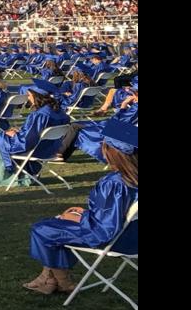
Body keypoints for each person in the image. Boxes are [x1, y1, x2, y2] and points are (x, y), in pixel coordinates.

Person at [24, 122, 138, 295]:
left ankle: (62, 281)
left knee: (43, 229)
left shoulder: (115, 183)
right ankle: (48, 278)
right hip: (133, 236)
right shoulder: (130, 178)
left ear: (113, 153)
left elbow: (103, 230)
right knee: (60, 221)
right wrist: (81, 213)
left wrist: (80, 217)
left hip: (118, 241)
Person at [0, 85, 71, 188]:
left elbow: (27, 141)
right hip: (49, 149)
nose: (28, 98)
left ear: (36, 96)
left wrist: (13, 135)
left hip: (33, 149)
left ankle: (0, 177)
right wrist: (19, 131)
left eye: (29, 95)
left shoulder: (39, 115)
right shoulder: (60, 113)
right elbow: (36, 133)